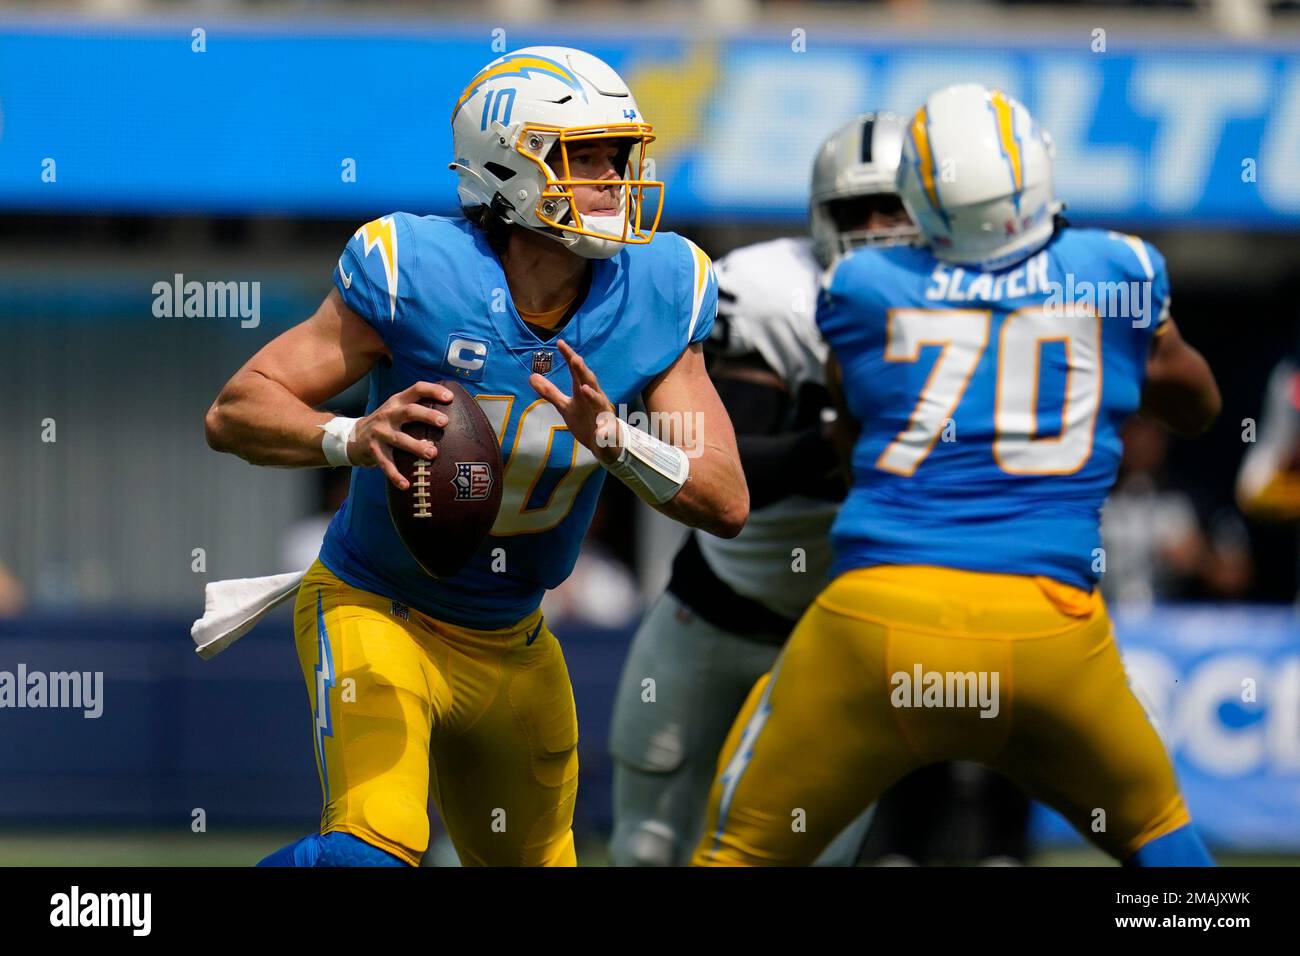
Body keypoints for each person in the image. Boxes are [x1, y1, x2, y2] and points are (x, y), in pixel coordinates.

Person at [204, 46, 747, 867]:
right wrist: (350, 436)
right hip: (378, 604)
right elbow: (235, 409)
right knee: (370, 855)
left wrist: (621, 443)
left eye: (618, 155)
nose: (612, 177)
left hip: (515, 636)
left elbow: (725, 497)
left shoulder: (662, 285)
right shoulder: (417, 270)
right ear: (508, 165)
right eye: (584, 155)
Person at [692, 83, 1220, 867]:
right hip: (1048, 628)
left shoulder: (860, 289)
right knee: (1169, 856)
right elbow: (1199, 407)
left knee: (735, 853)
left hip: (877, 628)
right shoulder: (1119, 269)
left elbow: (855, 430)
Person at [608, 113, 916, 866]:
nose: (877, 230)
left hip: (845, 631)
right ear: (820, 218)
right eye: (856, 212)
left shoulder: (973, 303)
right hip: (715, 609)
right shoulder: (769, 291)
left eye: (896, 210)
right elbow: (726, 476)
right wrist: (839, 445)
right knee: (648, 847)